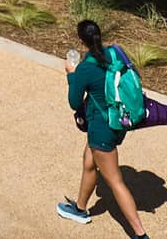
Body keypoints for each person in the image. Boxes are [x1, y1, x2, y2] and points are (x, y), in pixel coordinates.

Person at [58, 19, 151, 232]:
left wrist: (71, 75)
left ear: (82, 41)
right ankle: (80, 209)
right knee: (89, 163)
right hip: (118, 121)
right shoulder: (115, 53)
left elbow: (74, 102)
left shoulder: (85, 69)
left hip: (102, 128)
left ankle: (140, 233)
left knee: (115, 181)